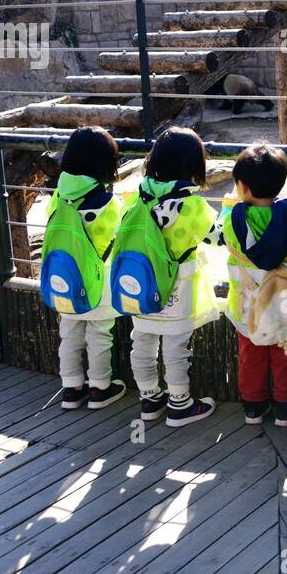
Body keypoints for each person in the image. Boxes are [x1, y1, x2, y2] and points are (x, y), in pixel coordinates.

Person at [124, 127, 218, 428]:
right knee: (176, 346)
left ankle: (150, 399)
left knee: (141, 342)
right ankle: (180, 404)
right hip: (177, 284)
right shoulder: (191, 205)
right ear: (193, 165)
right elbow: (217, 238)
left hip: (140, 284)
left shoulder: (139, 197)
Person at [219, 142, 287, 427]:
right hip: (284, 301)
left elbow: (223, 236)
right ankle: (286, 406)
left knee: (251, 356)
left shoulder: (232, 221)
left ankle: (254, 407)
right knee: (286, 354)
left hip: (248, 305)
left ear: (242, 186)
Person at [43, 126, 126, 410]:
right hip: (96, 279)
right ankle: (100, 388)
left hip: (63, 278)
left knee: (69, 332)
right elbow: (115, 238)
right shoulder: (107, 202)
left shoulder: (58, 195)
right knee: (99, 333)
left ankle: (71, 387)